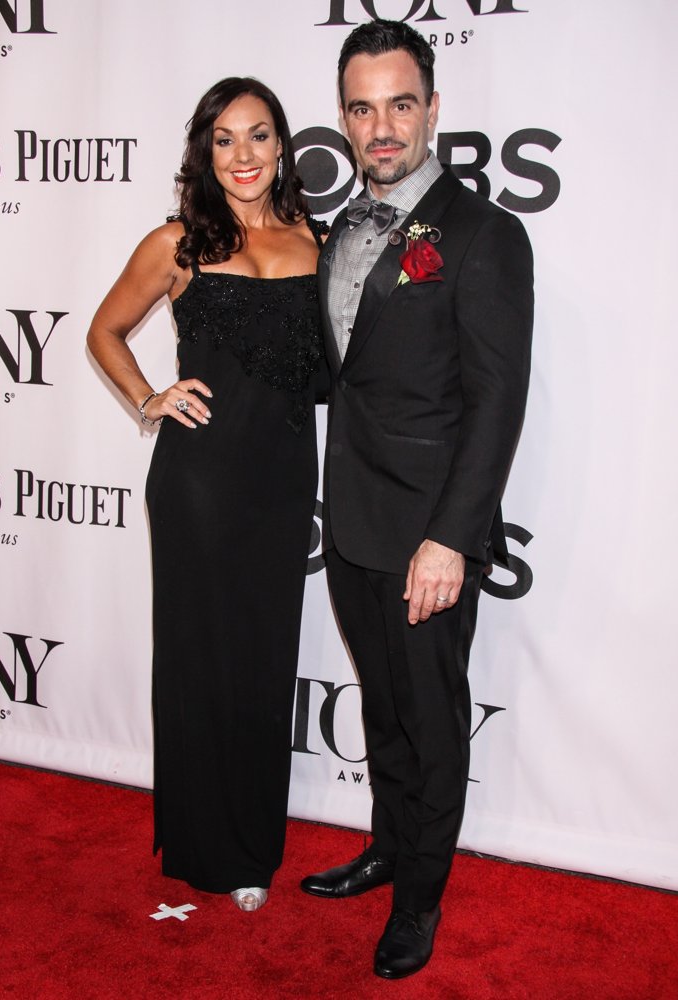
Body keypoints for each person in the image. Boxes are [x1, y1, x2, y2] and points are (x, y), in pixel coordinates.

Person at [301, 20, 534, 979]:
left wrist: (449, 538)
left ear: (434, 110)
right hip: (352, 521)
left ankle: (421, 903)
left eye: (402, 103)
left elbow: (496, 403)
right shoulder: (343, 231)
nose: (382, 125)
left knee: (433, 721)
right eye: (363, 107)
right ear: (346, 120)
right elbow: (347, 376)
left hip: (428, 539)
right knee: (385, 710)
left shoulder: (484, 235)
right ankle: (388, 850)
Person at [87, 77, 327, 912]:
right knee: (202, 658)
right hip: (199, 483)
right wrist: (149, 397)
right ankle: (203, 845)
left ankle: (254, 844)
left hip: (284, 480)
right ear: (204, 150)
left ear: (283, 147)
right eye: (225, 140)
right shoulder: (177, 243)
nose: (245, 156)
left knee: (264, 661)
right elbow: (103, 330)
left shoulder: (314, 241)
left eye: (260, 136)